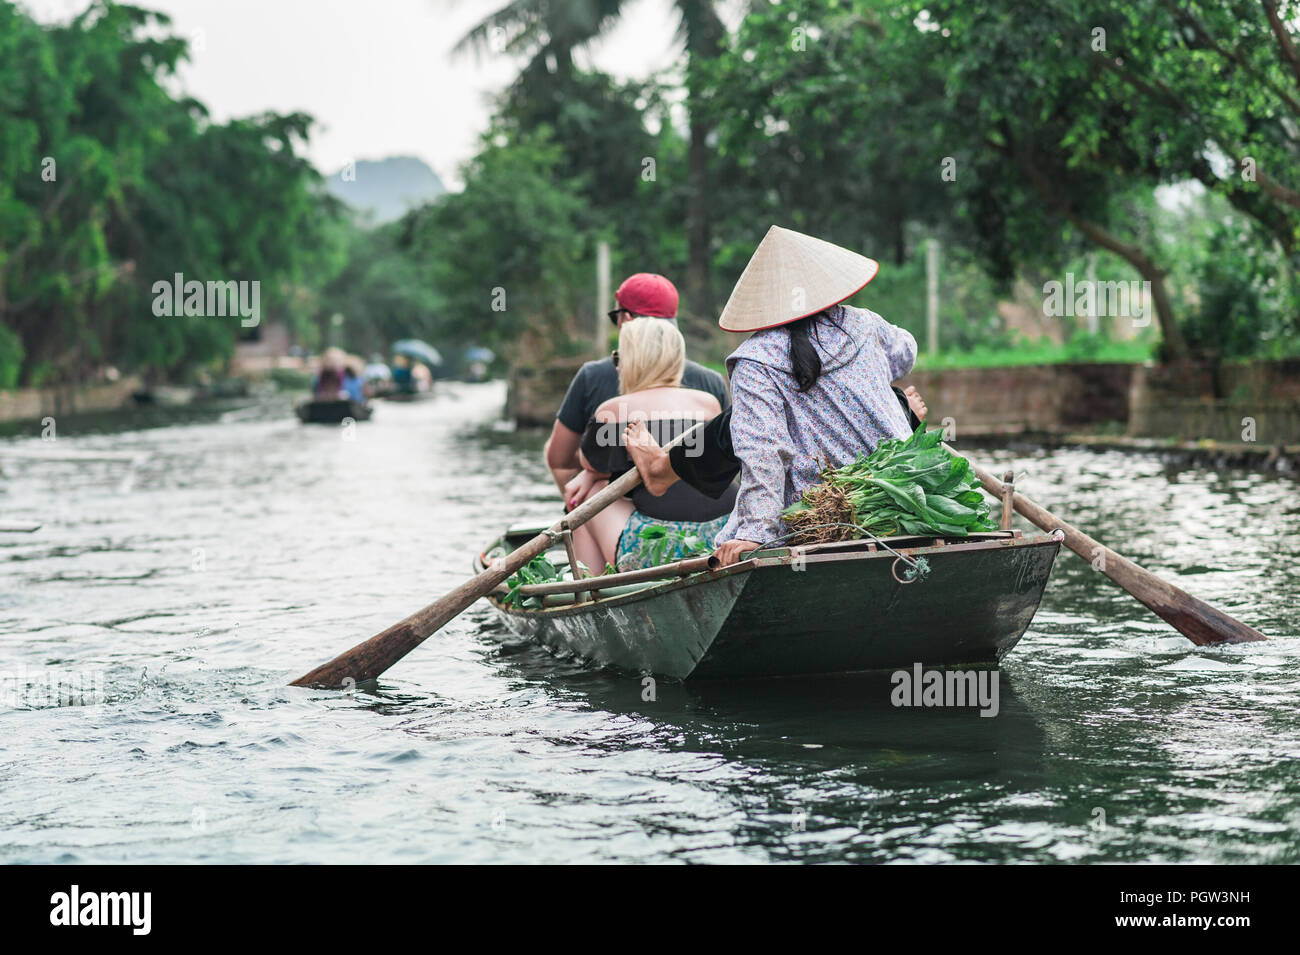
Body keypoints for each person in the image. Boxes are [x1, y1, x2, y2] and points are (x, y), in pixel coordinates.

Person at [633, 225, 921, 567]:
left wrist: (755, 532)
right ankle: (662, 468)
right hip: (904, 498)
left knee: (742, 427)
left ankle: (662, 468)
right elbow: (906, 353)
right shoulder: (866, 324)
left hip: (816, 517)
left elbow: (763, 450)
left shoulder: (756, 359)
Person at [564, 318, 738, 574]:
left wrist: (590, 474)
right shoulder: (709, 404)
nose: (617, 366)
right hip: (722, 536)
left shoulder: (611, 411)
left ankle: (590, 587)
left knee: (586, 498)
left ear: (631, 361)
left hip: (658, 547)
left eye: (618, 357)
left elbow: (591, 462)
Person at [544, 273, 729, 498]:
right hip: (702, 504)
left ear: (627, 320)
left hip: (624, 508)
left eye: (616, 317)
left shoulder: (593, 377)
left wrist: (595, 468)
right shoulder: (711, 382)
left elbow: (559, 460)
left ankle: (573, 514)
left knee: (564, 459)